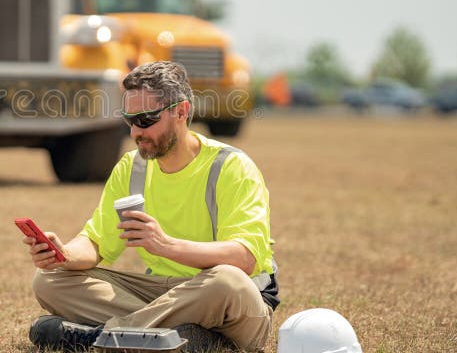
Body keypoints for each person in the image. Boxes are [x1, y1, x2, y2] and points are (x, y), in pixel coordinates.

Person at [22, 61, 278, 352]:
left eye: (145, 120)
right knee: (48, 279)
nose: (134, 132)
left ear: (181, 112)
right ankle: (180, 337)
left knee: (226, 281)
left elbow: (242, 259)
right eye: (128, 120)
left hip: (230, 300)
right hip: (162, 297)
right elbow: (95, 243)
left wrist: (166, 245)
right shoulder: (131, 167)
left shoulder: (231, 167)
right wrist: (63, 255)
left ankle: (99, 338)